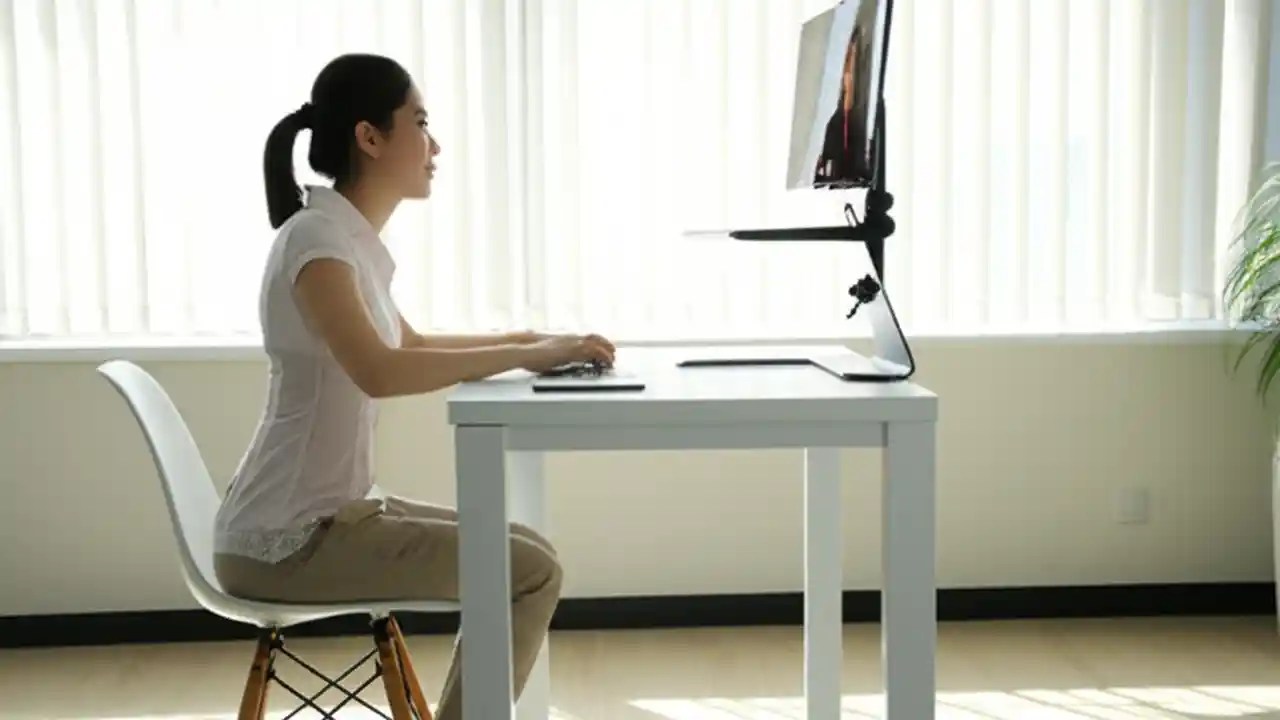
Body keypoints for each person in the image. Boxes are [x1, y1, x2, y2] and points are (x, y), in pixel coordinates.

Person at [212, 53, 615, 720]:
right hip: (287, 542)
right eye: (421, 123)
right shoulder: (318, 245)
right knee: (530, 573)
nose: (436, 146)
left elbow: (413, 346)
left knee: (531, 553)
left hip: (323, 516)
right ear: (369, 137)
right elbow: (381, 368)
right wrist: (531, 352)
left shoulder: (342, 238)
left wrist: (533, 346)